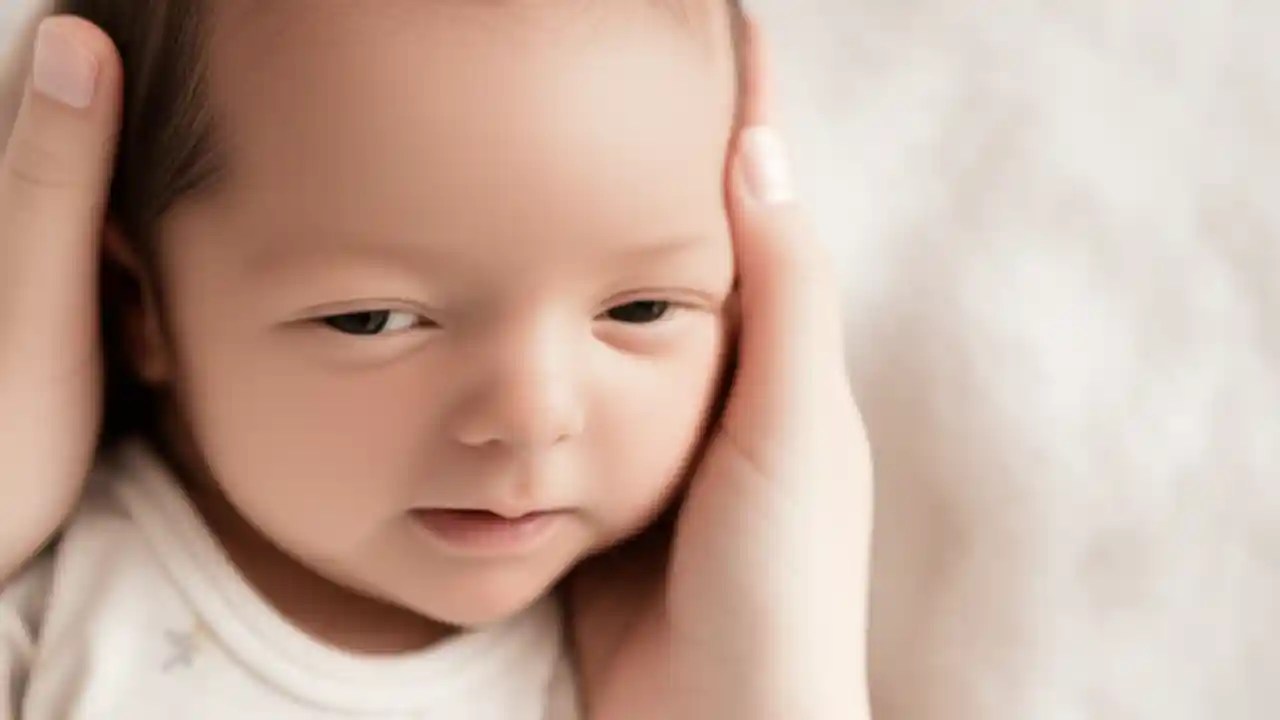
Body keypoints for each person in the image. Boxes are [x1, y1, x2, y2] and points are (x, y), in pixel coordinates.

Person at [0, 1, 873, 718]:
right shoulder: (67, 611)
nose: (532, 415)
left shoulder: (673, 668)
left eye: (641, 309)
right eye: (375, 319)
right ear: (138, 305)